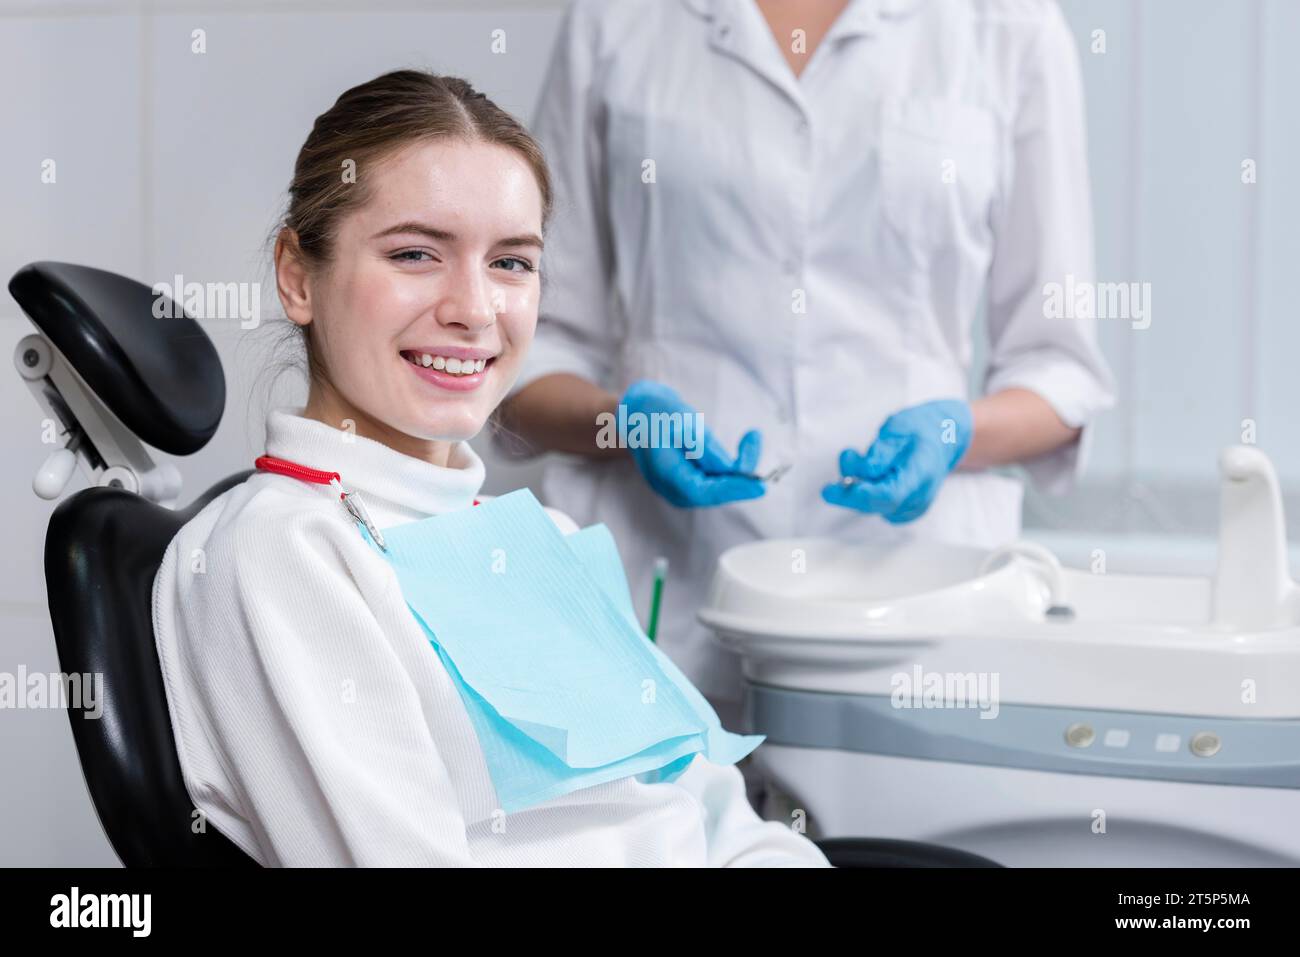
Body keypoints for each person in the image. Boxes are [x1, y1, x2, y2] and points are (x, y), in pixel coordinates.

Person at [150, 70, 830, 867]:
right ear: (298, 276)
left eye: (511, 263)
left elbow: (719, 817)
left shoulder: (540, 538)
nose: (474, 309)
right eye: (414, 253)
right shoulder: (280, 553)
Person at [498, 0, 1117, 725]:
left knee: (902, 838)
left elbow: (1058, 370)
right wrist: (622, 423)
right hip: (658, 602)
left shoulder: (1010, 25)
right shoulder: (616, 19)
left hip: (919, 609)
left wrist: (953, 434)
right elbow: (525, 353)